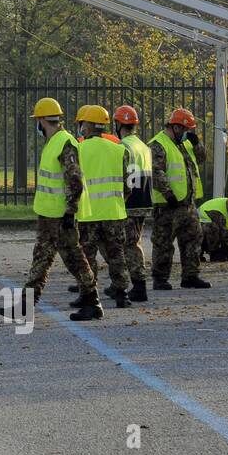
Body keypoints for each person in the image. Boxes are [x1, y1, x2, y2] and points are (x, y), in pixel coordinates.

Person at [6, 97, 102, 321]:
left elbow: (74, 179)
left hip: (58, 216)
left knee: (55, 258)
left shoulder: (64, 142)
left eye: (37, 121)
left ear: (41, 120)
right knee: (62, 258)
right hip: (52, 215)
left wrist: (70, 211)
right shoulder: (56, 142)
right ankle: (90, 301)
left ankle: (28, 304)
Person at [74, 105, 132, 308]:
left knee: (87, 257)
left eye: (82, 124)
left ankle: (88, 294)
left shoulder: (78, 149)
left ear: (87, 126)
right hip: (114, 212)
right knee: (117, 255)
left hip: (87, 214)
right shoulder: (119, 150)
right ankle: (122, 293)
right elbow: (127, 184)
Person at [149, 107, 210, 291]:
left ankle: (190, 276)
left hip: (187, 204)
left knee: (193, 239)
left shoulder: (184, 143)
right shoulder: (158, 144)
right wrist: (168, 194)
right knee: (163, 243)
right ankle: (160, 278)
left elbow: (201, 158)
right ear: (175, 127)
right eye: (185, 130)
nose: (187, 134)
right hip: (167, 205)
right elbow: (155, 171)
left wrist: (197, 142)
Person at [114, 105, 153, 302]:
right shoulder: (143, 146)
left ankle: (138, 286)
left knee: (129, 245)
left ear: (119, 123)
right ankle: (125, 284)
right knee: (132, 243)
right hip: (144, 200)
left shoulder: (123, 147)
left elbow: (121, 176)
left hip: (128, 202)